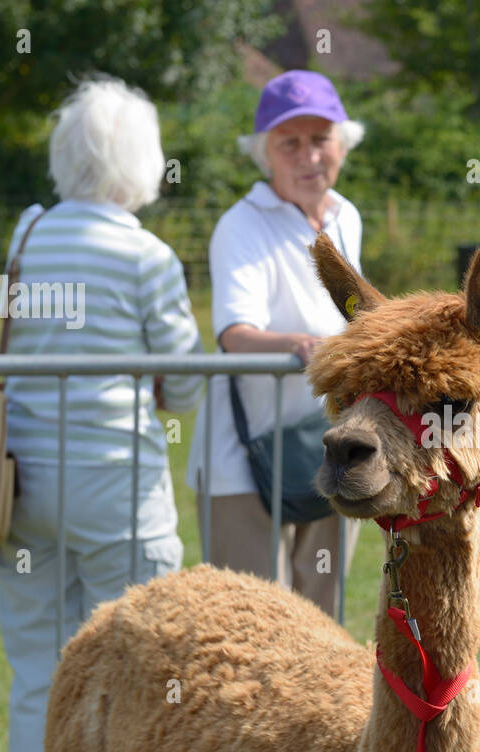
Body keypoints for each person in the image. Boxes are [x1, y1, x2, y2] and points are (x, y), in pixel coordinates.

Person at [0, 76, 203, 752]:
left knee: (36, 679)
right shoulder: (148, 255)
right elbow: (184, 383)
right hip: (117, 490)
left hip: (21, 487)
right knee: (139, 679)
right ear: (141, 163)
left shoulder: (28, 236)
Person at [186, 70, 364, 618]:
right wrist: (305, 346)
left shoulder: (345, 216)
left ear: (343, 144)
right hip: (243, 456)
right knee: (253, 627)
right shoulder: (241, 225)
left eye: (320, 139)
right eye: (290, 143)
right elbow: (236, 335)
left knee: (322, 618)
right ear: (266, 154)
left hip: (332, 444)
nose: (309, 155)